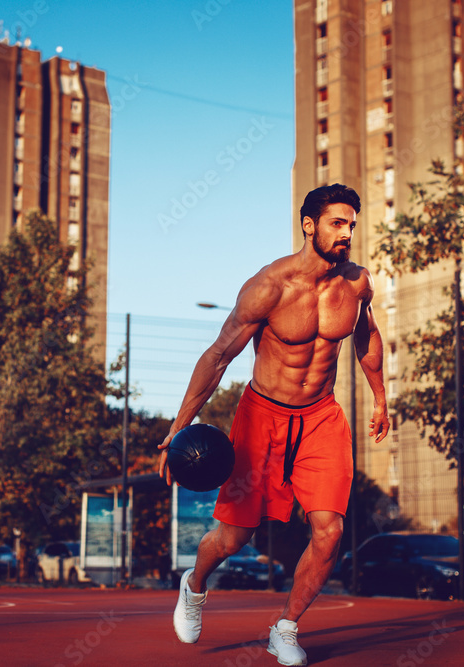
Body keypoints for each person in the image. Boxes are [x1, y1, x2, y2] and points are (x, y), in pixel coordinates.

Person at [158, 183, 390, 666]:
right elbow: (220, 356)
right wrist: (179, 429)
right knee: (231, 538)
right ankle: (195, 587)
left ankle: (284, 627)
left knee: (328, 530)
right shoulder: (270, 285)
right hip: (262, 416)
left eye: (351, 224)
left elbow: (367, 336)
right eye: (336, 223)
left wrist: (380, 399)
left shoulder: (357, 284)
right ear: (309, 226)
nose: (346, 233)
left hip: (322, 416)